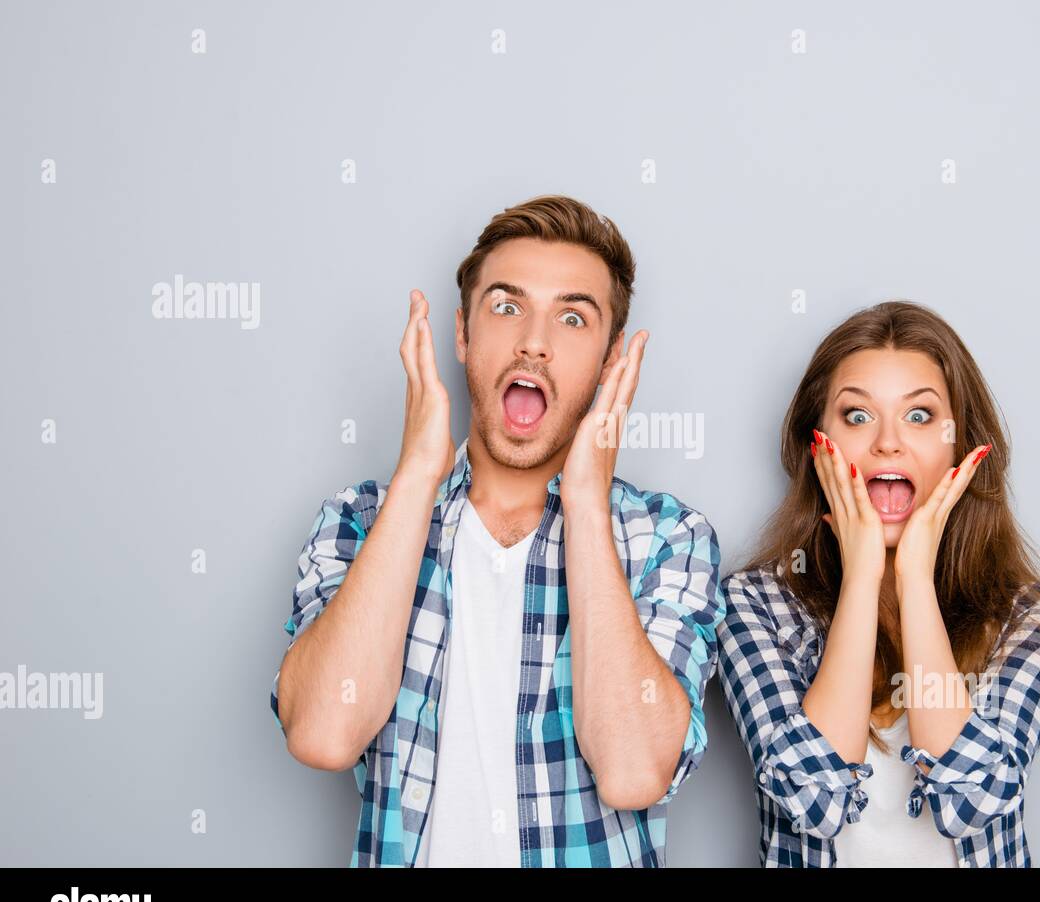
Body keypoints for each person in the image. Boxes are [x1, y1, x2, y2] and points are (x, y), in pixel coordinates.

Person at [270, 195, 724, 867]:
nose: (534, 341)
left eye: (573, 317)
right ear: (461, 333)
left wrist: (586, 506)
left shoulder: (667, 539)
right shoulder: (360, 520)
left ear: (609, 360)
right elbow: (324, 732)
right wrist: (419, 472)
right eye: (507, 307)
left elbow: (634, 770)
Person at [717, 301, 1040, 867]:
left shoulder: (1027, 619)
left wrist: (915, 577)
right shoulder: (754, 605)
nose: (888, 444)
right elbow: (813, 799)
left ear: (961, 447)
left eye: (919, 417)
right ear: (818, 445)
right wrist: (863, 577)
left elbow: (970, 803)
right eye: (858, 416)